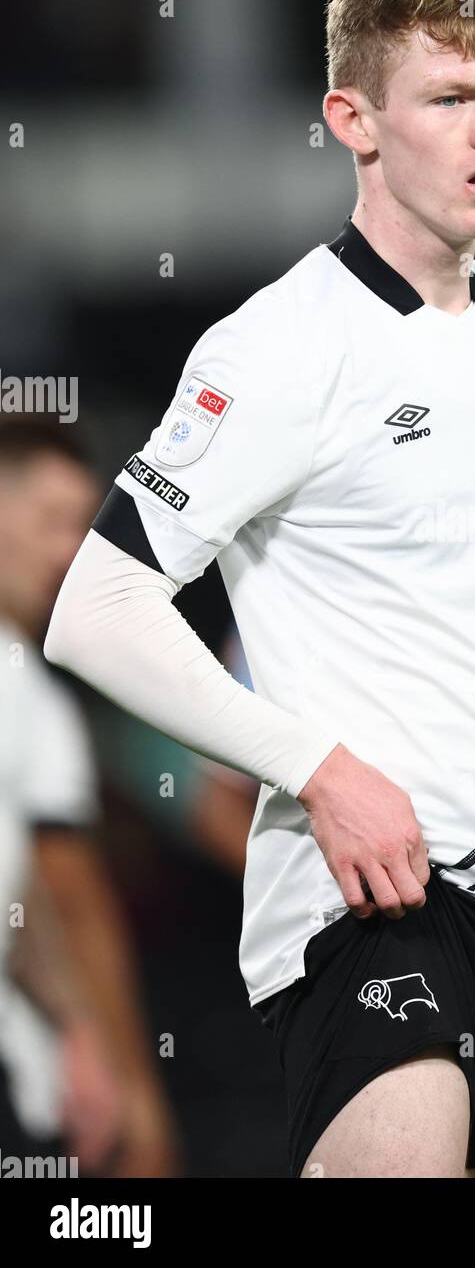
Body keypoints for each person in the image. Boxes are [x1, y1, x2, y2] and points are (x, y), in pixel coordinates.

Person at [44, 0, 475, 1179]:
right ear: (354, 121)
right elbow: (97, 605)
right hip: (373, 906)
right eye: (449, 100)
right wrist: (319, 769)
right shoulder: (280, 346)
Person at [0, 418, 179, 1175]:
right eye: (50, 522)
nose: (69, 552)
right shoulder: (25, 690)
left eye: (82, 529)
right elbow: (74, 900)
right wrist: (137, 1092)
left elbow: (34, 888)